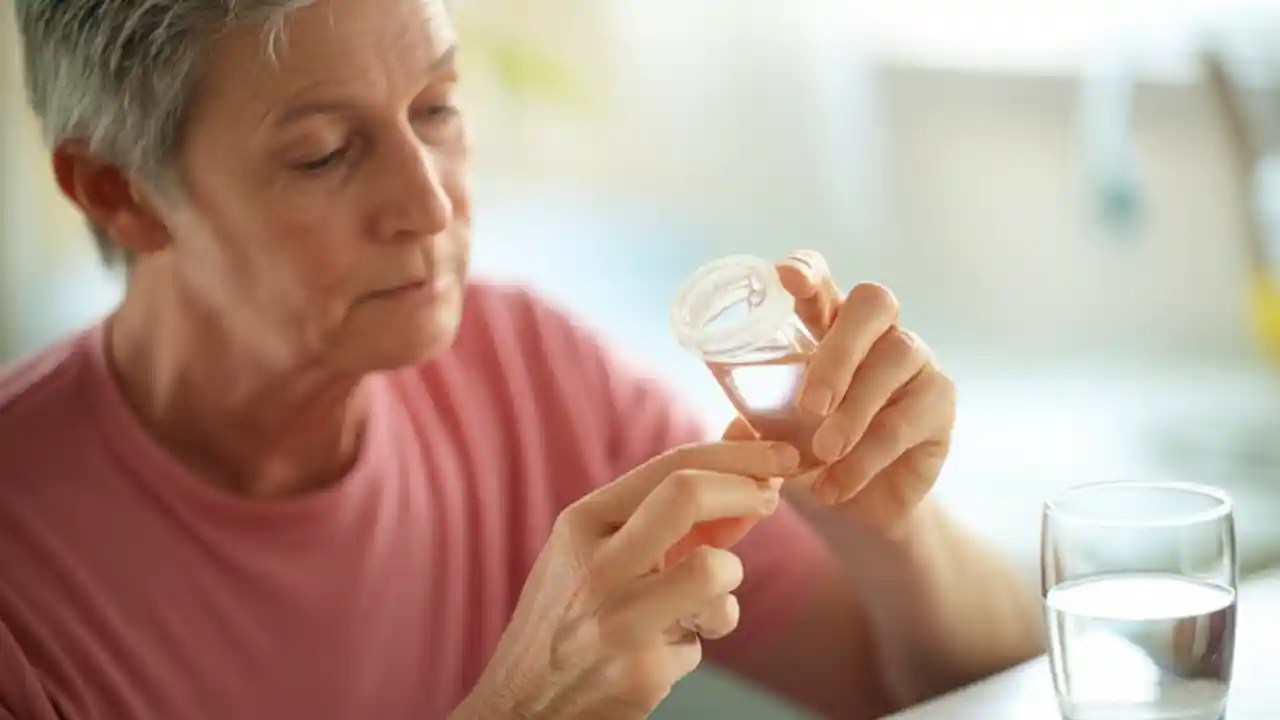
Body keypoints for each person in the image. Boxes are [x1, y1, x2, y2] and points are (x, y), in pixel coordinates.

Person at [0, 0, 1044, 718]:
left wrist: (882, 524)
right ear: (118, 192)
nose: (431, 202)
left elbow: (970, 680)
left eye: (438, 108)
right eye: (322, 152)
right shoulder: (25, 580)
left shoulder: (531, 378)